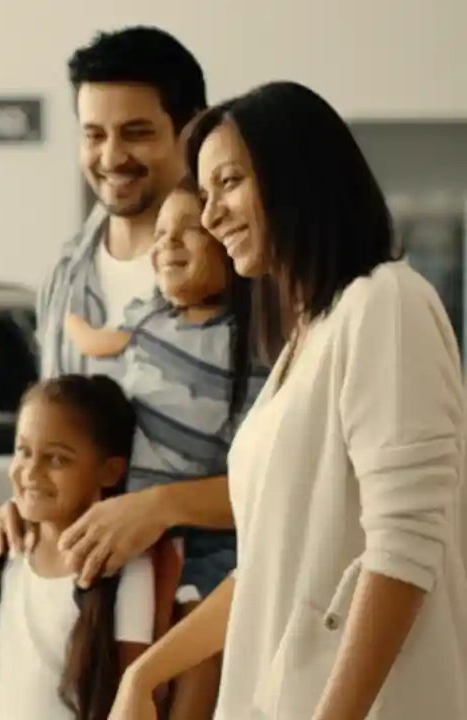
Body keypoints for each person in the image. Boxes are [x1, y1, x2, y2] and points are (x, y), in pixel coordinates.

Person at [110, 81, 467, 719]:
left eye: (229, 182)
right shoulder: (309, 335)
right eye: (205, 190)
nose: (211, 214)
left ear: (297, 174)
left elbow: (404, 551)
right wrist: (144, 673)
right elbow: (268, 571)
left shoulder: (385, 303)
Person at [0, 22, 236, 673]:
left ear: (190, 133)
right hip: (76, 628)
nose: (111, 156)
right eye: (94, 134)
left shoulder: (248, 283)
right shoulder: (64, 279)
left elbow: (302, 482)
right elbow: (55, 434)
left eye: (136, 132)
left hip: (207, 633)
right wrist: (22, 505)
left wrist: (161, 507)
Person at [64, 179, 264, 718]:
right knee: (129, 641)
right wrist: (75, 327)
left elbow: (262, 483)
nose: (169, 242)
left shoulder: (253, 346)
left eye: (190, 231)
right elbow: (102, 342)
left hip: (213, 535)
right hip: (135, 527)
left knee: (197, 650)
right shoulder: (146, 315)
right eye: (162, 232)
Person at [0, 375, 159, 720]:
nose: (31, 470)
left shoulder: (129, 568)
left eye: (57, 459)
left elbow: (130, 699)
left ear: (110, 471)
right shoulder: (4, 547)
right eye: (23, 451)